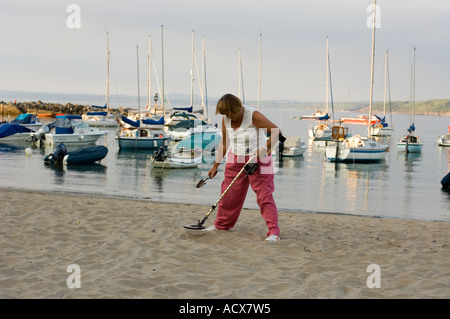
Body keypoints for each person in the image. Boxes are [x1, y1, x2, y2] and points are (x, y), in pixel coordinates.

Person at [207, 93, 282, 241]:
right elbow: (224, 142)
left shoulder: (252, 115)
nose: (228, 116)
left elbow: (277, 133)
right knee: (228, 195)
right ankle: (222, 225)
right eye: (225, 113)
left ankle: (274, 232)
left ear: (238, 107)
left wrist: (264, 150)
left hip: (258, 160)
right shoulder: (226, 119)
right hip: (235, 158)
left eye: (230, 112)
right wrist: (215, 165)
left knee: (264, 196)